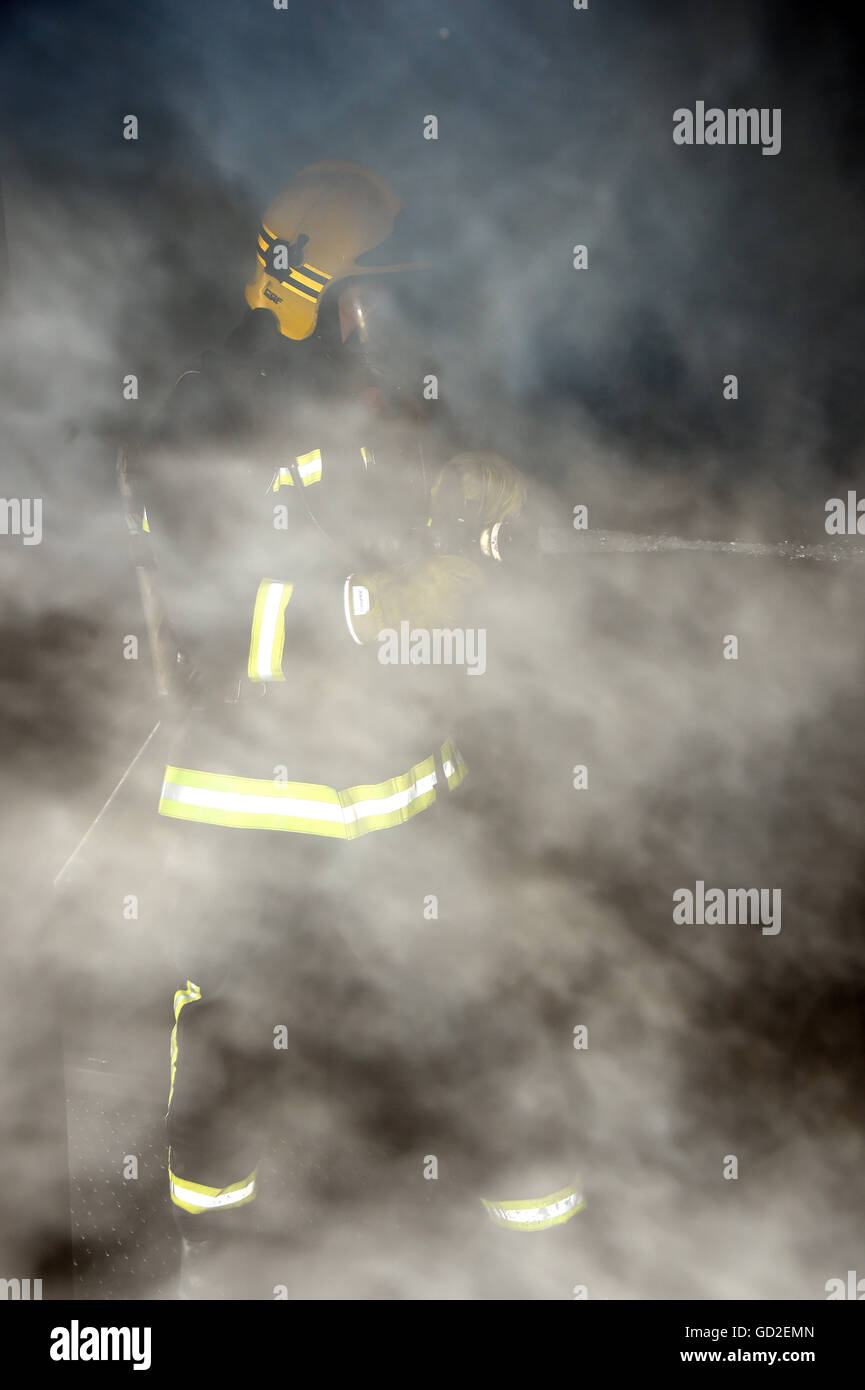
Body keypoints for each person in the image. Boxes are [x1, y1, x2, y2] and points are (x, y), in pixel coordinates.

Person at [131, 160, 581, 1297]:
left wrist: (474, 495)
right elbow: (260, 590)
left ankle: (554, 1266)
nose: (387, 314)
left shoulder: (355, 396)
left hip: (383, 796)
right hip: (268, 812)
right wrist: (416, 589)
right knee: (247, 1050)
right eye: (369, 292)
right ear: (313, 290)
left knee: (485, 1021)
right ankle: (211, 1273)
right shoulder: (225, 405)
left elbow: (404, 490)